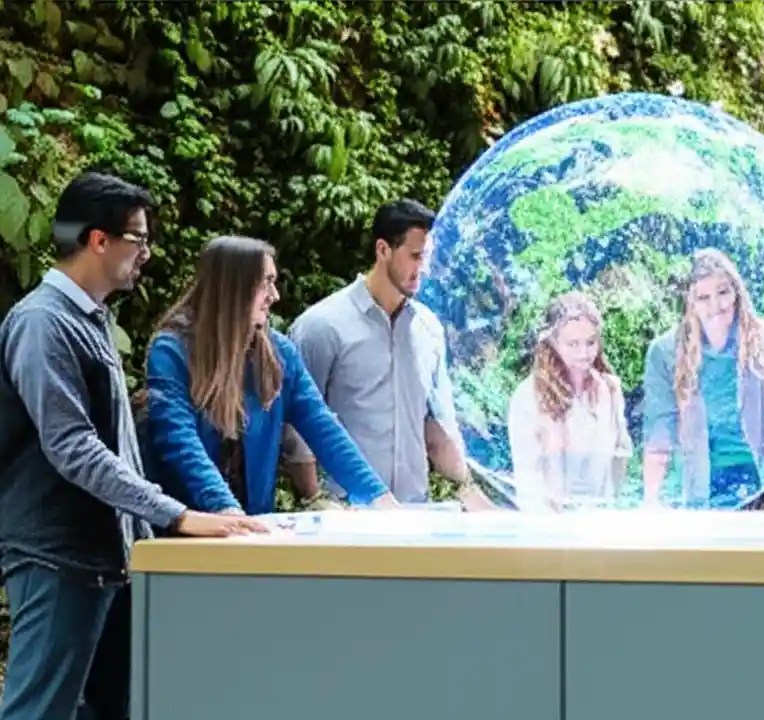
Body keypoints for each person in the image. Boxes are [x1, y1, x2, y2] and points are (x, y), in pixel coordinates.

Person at [0, 173, 267, 720]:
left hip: (98, 557)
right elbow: (72, 446)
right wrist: (177, 515)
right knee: (39, 708)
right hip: (56, 555)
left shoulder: (88, 320)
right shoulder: (43, 324)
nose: (146, 253)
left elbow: (114, 445)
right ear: (98, 240)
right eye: (139, 239)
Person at [144, 235, 396, 516]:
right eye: (265, 283)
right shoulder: (172, 351)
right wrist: (225, 509)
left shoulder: (279, 353)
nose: (274, 296)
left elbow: (323, 428)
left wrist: (378, 497)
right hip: (183, 532)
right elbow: (178, 439)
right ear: (233, 288)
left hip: (253, 529)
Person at [282, 199, 493, 510]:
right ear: (382, 250)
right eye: (415, 256)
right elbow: (296, 427)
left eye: (429, 256)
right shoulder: (321, 327)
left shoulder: (428, 329)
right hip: (346, 515)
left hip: (414, 513)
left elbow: (436, 423)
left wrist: (467, 486)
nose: (425, 267)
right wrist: (316, 500)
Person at [641, 248, 764, 511]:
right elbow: (660, 427)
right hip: (694, 488)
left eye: (723, 292)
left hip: (760, 486)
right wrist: (651, 499)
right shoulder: (665, 351)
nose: (715, 306)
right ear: (689, 302)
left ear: (737, 292)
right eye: (703, 297)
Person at [507, 291, 631, 510]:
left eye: (590, 342)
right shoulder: (529, 397)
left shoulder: (610, 390)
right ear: (553, 344)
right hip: (547, 524)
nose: (583, 353)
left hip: (599, 522)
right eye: (573, 344)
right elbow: (528, 474)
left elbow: (619, 458)